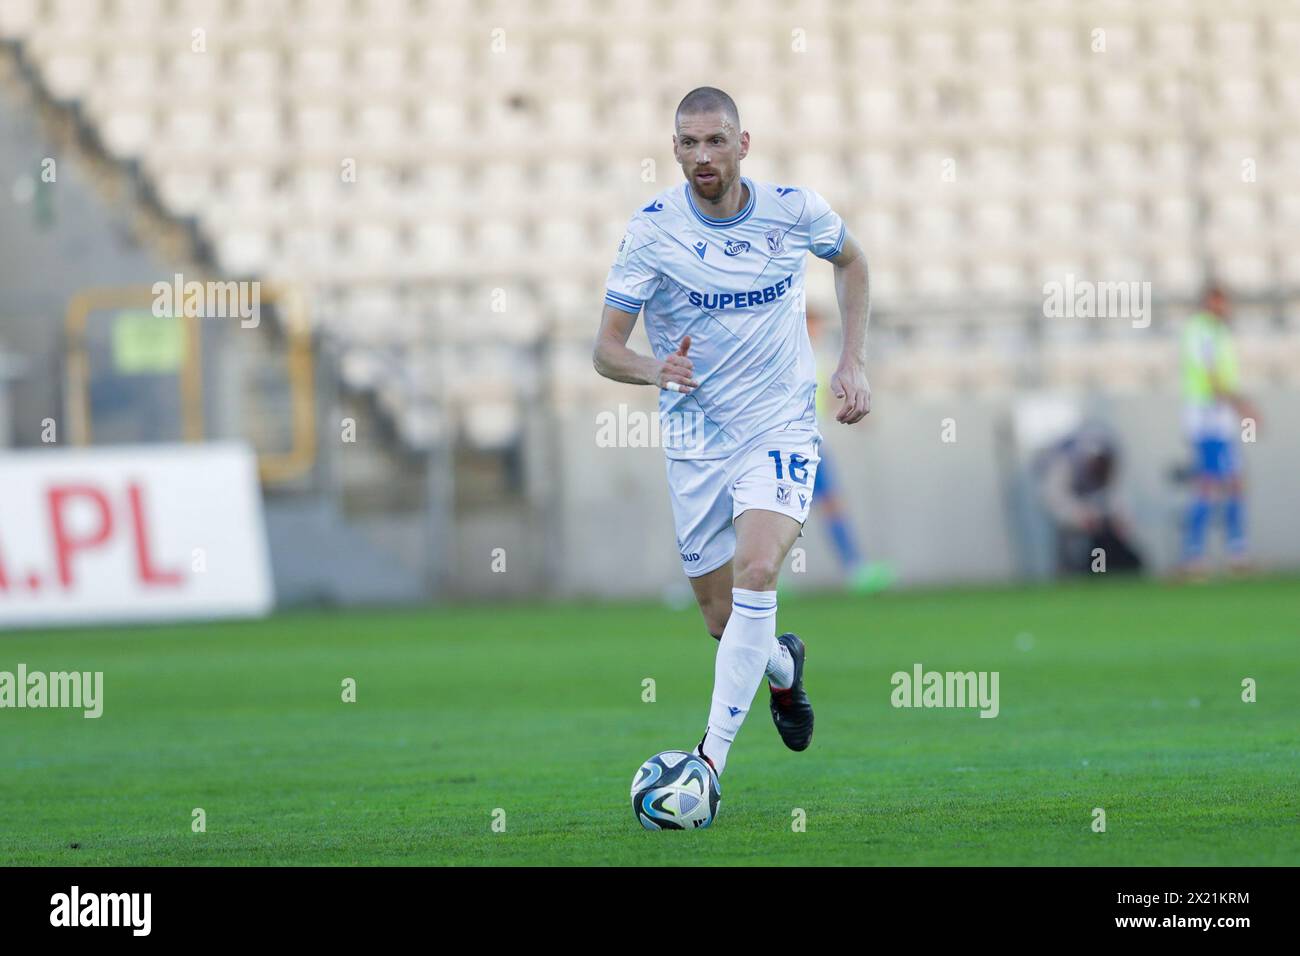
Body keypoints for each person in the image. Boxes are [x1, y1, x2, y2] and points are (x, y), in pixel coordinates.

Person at [592, 87, 871, 780]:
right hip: (696, 445)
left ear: (743, 144)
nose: (702, 155)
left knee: (757, 571)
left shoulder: (794, 211)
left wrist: (852, 361)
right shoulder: (653, 231)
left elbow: (853, 261)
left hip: (778, 428)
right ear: (676, 150)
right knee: (725, 622)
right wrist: (658, 369)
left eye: (716, 141)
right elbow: (605, 349)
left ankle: (707, 764)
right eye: (688, 143)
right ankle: (781, 664)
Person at [1179, 285, 1259, 575]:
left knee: (1231, 482)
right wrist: (1245, 409)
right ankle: (1195, 556)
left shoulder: (1218, 332)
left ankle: (1233, 554)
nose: (1225, 309)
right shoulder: (1200, 330)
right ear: (1210, 303)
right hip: (1206, 416)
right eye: (1220, 303)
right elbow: (1211, 377)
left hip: (1220, 418)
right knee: (1211, 484)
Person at [1035, 425, 1143, 575]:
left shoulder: (1109, 463)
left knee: (1106, 540)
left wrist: (1121, 519)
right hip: (1070, 507)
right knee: (1068, 545)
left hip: (1091, 509)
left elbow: (1116, 494)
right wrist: (1080, 516)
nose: (1099, 468)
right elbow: (1055, 499)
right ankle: (1069, 574)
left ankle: (1102, 570)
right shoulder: (1063, 464)